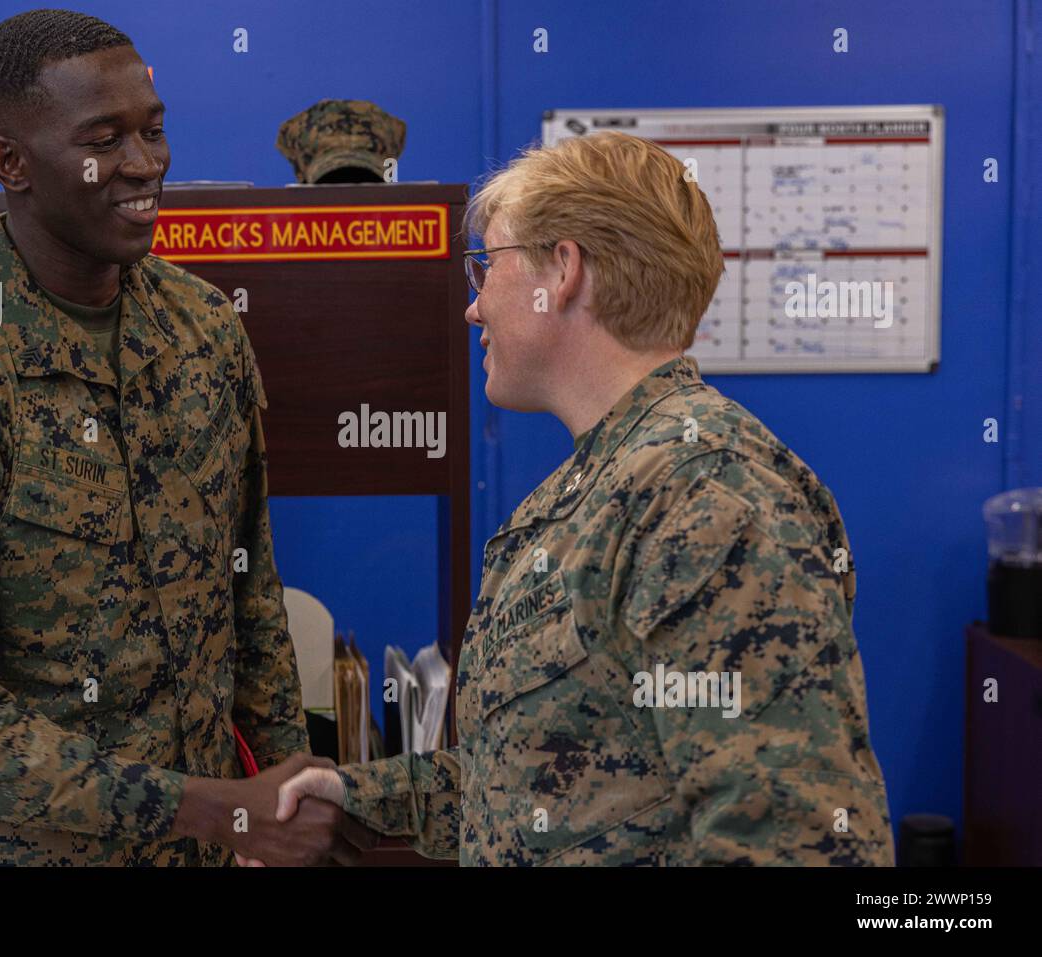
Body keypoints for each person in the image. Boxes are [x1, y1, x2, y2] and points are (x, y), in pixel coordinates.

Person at [269, 132, 896, 866]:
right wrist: (355, 798)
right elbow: (552, 779)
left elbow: (796, 837)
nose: (473, 308)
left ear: (563, 271)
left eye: (487, 266)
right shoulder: (604, 485)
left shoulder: (707, 496)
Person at [0, 8, 372, 866]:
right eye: (103, 140)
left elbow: (250, 593)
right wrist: (209, 808)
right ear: (11, 163)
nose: (144, 164)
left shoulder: (205, 329)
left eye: (153, 131)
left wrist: (287, 792)